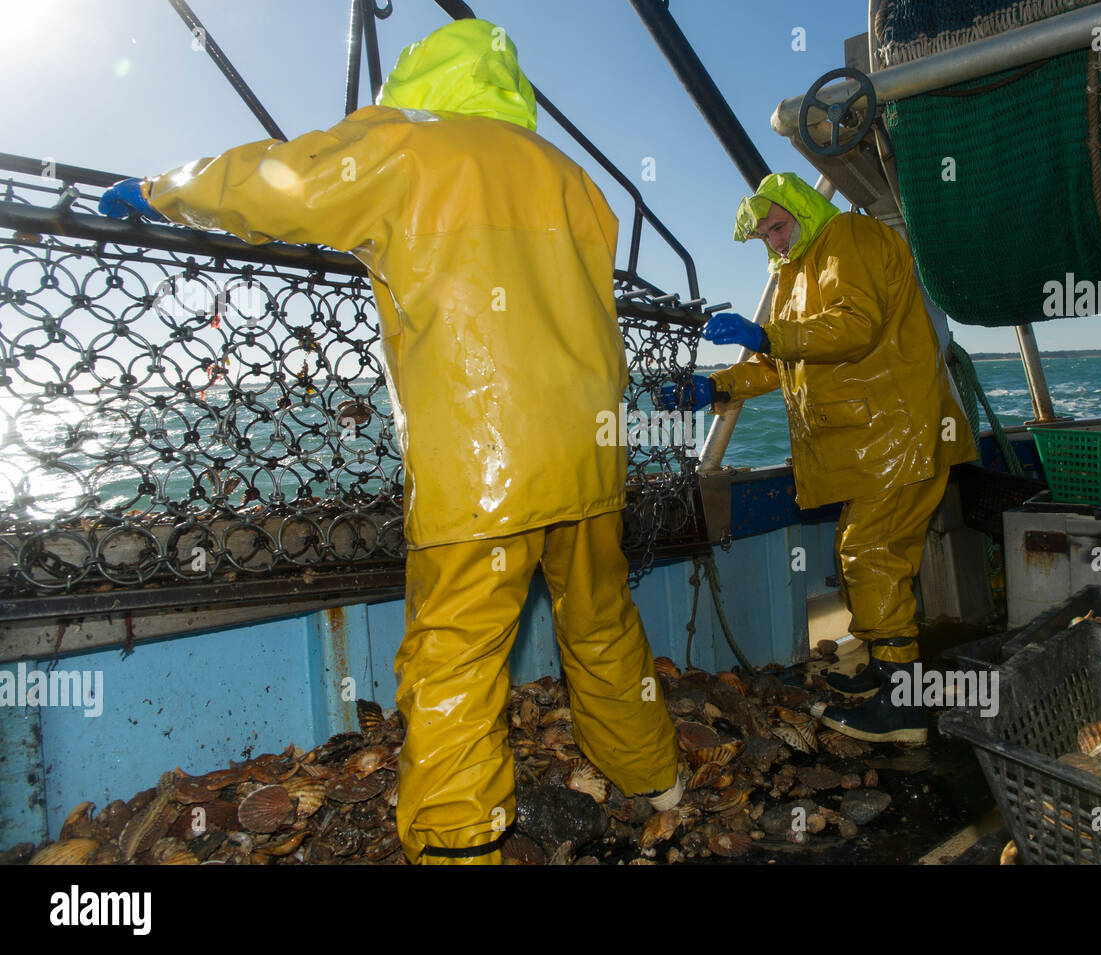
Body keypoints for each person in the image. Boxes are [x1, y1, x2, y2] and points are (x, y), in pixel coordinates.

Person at [99, 19, 681, 864]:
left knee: (455, 657)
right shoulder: (573, 177)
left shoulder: (411, 145)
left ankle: (460, 845)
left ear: (419, 82)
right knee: (601, 623)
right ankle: (656, 775)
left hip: (481, 468)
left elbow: (281, 181)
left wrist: (162, 190)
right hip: (591, 455)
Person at [668, 172, 977, 744]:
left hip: (898, 435)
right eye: (764, 235)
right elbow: (783, 359)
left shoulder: (850, 238)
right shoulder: (797, 272)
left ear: (805, 211)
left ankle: (904, 707)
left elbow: (855, 327)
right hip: (876, 443)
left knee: (871, 554)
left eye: (778, 226)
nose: (774, 241)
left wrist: (765, 335)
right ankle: (885, 670)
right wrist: (716, 387)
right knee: (862, 552)